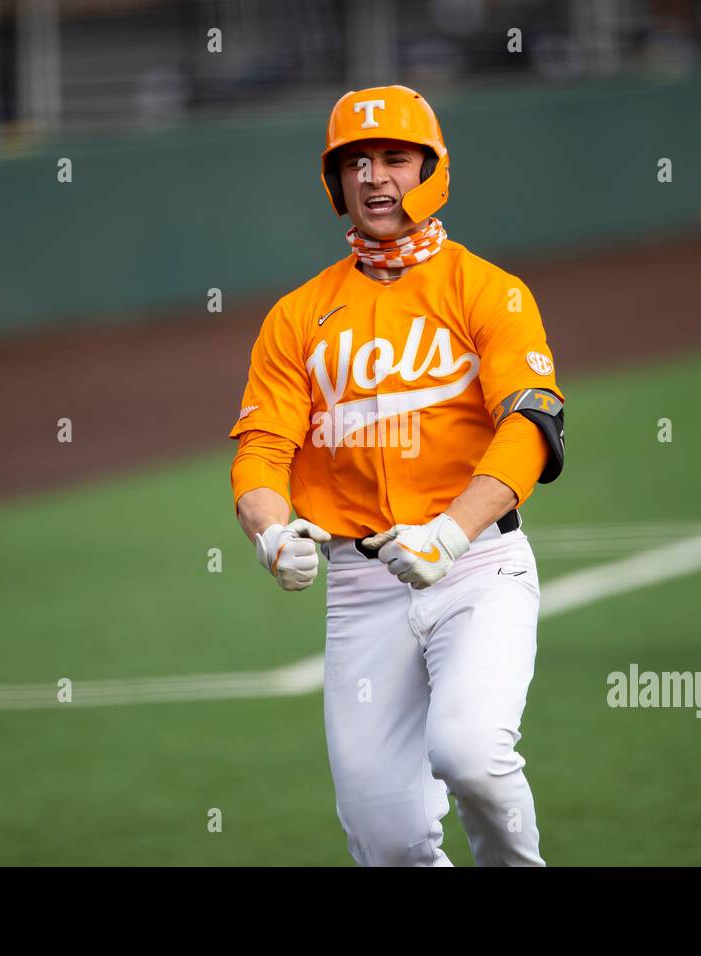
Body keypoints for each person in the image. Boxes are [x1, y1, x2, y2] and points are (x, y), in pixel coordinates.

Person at [229, 85, 565, 865]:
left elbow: (532, 424)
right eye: (356, 162)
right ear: (335, 181)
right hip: (360, 588)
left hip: (477, 565)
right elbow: (260, 451)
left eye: (394, 158)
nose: (375, 179)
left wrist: (451, 533)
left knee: (471, 752)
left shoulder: (489, 290)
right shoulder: (297, 315)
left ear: (432, 168)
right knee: (386, 841)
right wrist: (271, 533)